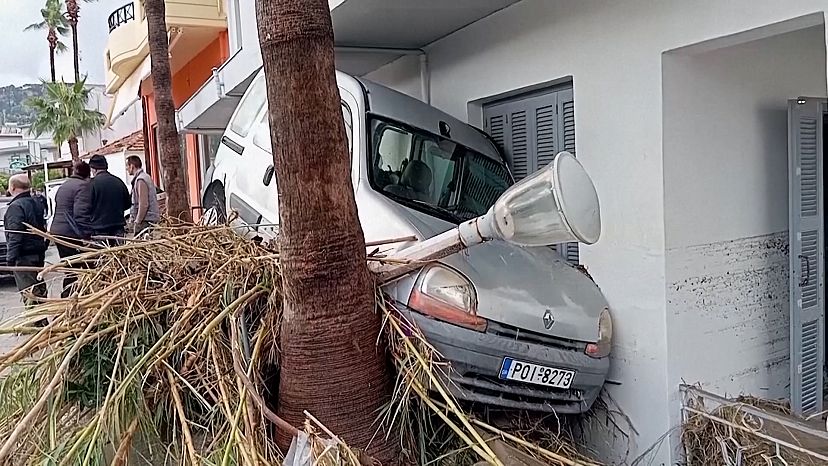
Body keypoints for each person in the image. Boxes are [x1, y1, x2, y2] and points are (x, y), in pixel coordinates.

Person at [4, 174, 49, 318]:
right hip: (38, 252)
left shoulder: (16, 207)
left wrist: (11, 258)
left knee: (29, 290)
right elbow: (43, 227)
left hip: (23, 255)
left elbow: (15, 234)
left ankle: (36, 322)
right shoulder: (37, 202)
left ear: (12, 187)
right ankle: (42, 319)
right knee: (39, 287)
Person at [50, 161, 92, 297]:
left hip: (58, 230)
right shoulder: (83, 186)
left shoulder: (64, 185)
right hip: (71, 232)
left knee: (69, 267)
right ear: (88, 173)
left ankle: (68, 296)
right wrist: (86, 236)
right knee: (79, 268)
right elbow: (81, 213)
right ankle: (70, 297)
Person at [89, 154, 131, 244]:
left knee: (102, 256)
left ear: (94, 169)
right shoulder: (118, 182)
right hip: (118, 227)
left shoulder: (91, 185)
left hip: (99, 229)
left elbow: (87, 207)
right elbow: (128, 204)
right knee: (121, 256)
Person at [126, 155, 160, 234]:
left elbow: (143, 203)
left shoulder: (141, 180)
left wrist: (138, 221)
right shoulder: (144, 177)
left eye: (127, 165)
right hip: (148, 218)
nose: (126, 169)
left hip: (146, 220)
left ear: (132, 166)